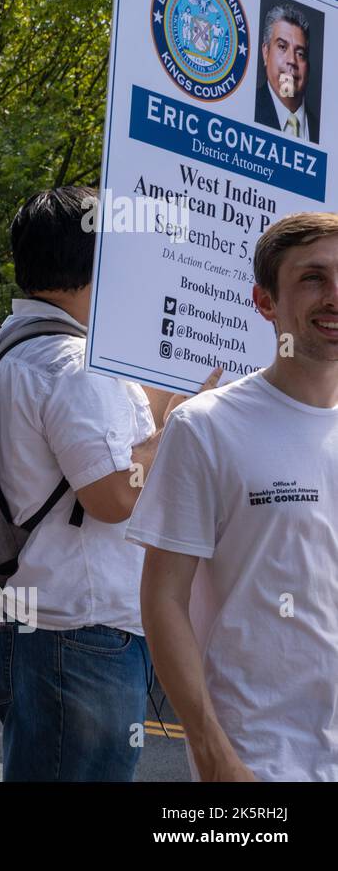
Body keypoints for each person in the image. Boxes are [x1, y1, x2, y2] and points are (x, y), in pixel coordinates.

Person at [0, 187, 201, 782]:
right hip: (79, 631)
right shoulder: (76, 365)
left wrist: (164, 402)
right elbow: (113, 495)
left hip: (22, 619)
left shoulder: (14, 352)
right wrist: (179, 425)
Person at [131, 212, 338, 781]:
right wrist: (214, 753)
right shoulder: (207, 427)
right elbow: (163, 599)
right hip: (261, 761)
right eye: (313, 278)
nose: (335, 296)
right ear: (265, 302)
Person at [254, 3, 319, 142]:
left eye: (300, 53)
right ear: (266, 53)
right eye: (282, 47)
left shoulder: (324, 130)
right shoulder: (247, 106)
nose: (292, 60)